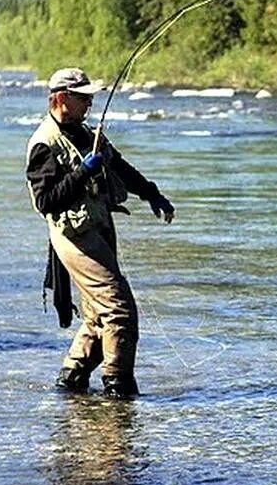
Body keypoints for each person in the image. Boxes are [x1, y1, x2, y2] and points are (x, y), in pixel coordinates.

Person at [25, 67, 174, 398]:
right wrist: (82, 172)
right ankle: (119, 394)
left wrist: (152, 193)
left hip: (98, 229)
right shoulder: (43, 145)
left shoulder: (86, 133)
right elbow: (46, 201)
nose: (90, 102)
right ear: (61, 99)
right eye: (83, 97)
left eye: (91, 97)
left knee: (97, 317)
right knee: (119, 310)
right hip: (75, 240)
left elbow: (120, 167)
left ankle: (70, 384)